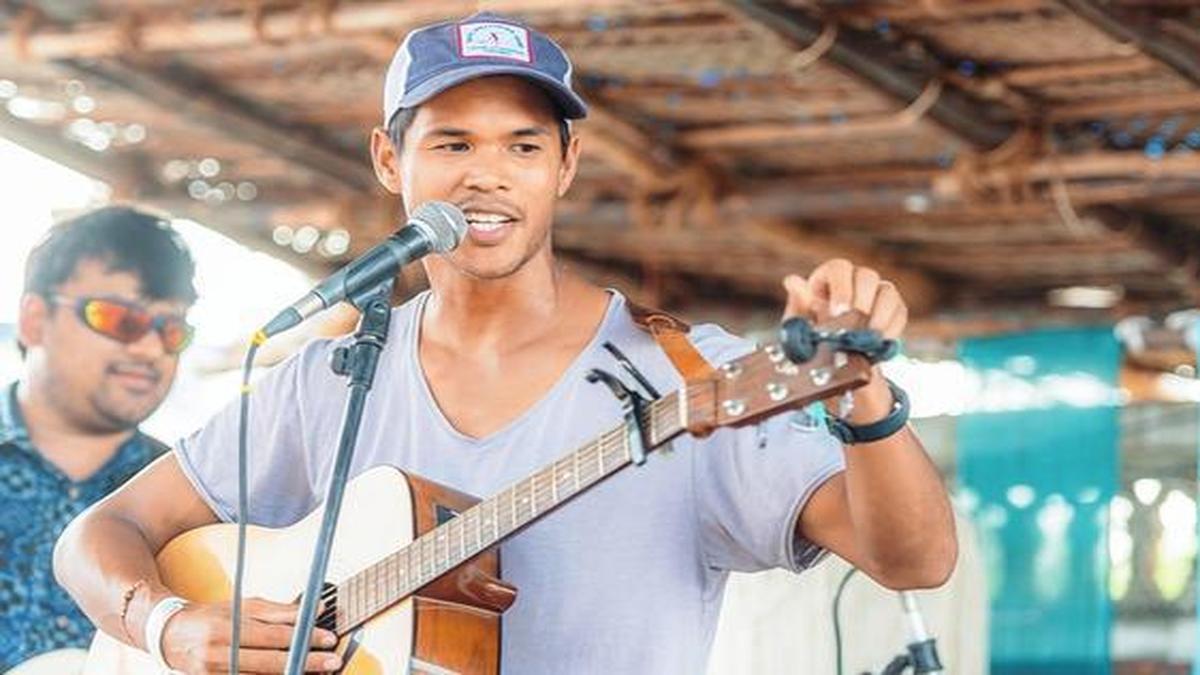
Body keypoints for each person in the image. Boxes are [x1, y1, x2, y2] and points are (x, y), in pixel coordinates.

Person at [54, 12, 957, 674]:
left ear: (565, 166)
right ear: (387, 160)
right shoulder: (333, 374)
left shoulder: (687, 371)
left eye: (523, 147)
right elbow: (101, 533)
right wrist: (167, 622)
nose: (486, 174)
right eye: (450, 142)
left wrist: (864, 397)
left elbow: (914, 559)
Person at [1, 206, 197, 670]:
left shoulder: (196, 498)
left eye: (170, 330)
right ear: (34, 319)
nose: (150, 349)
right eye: (119, 319)